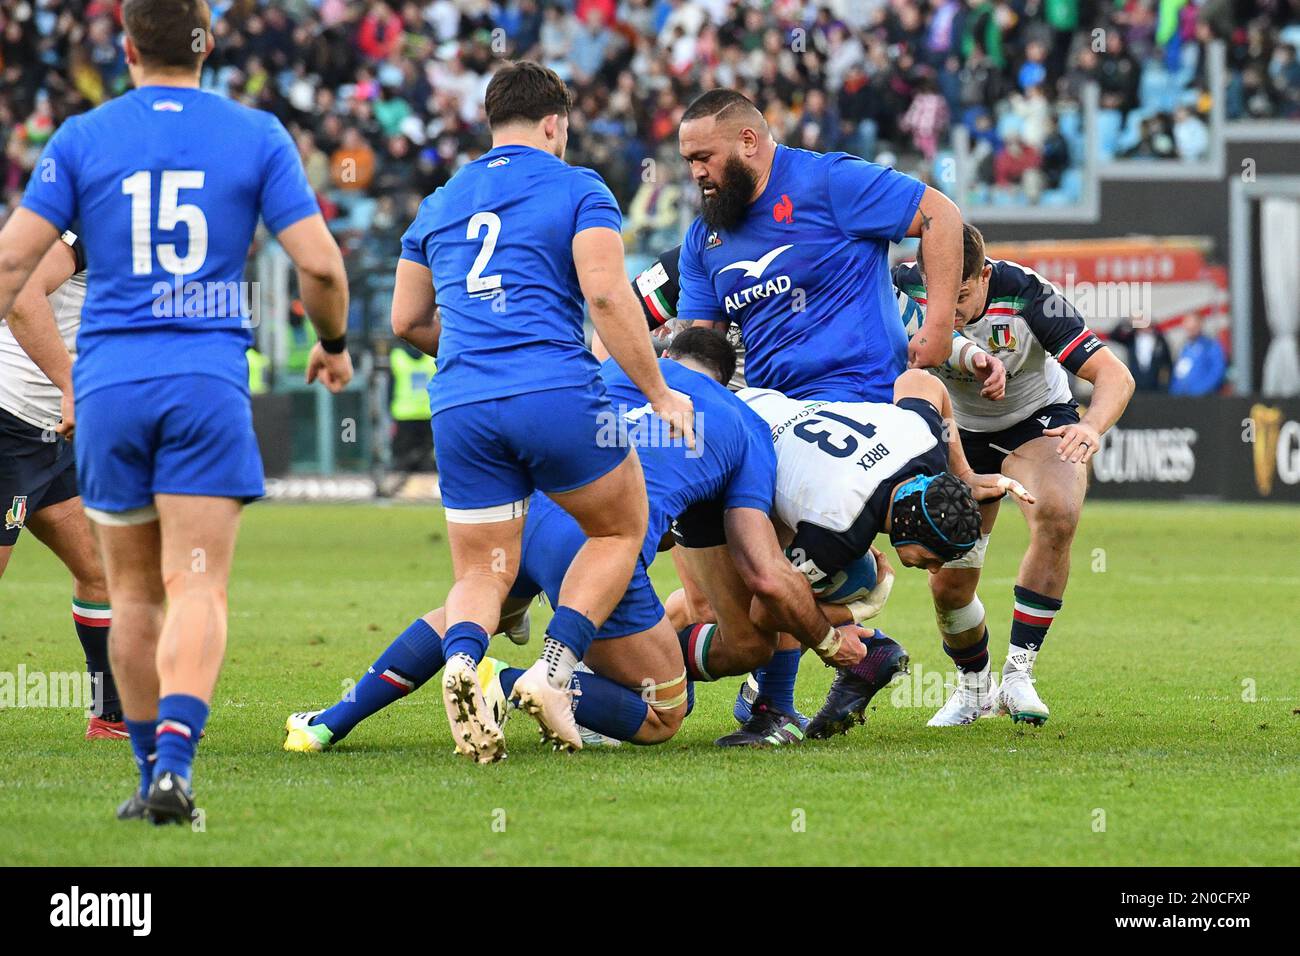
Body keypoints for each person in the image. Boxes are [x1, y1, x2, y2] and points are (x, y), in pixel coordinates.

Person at [0, 0, 353, 823]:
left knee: (129, 593)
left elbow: (12, 268)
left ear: (126, 49)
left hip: (109, 390)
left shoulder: (83, 137)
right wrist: (333, 343)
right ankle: (175, 771)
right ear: (209, 44)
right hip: (203, 383)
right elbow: (321, 267)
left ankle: (143, 771)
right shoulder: (255, 133)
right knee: (196, 583)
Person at [284, 329, 872, 754]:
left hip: (530, 515)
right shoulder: (744, 424)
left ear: (666, 356)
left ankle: (329, 723)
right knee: (666, 711)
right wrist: (826, 638)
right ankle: (506, 680)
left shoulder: (613, 371)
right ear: (729, 382)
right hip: (598, 545)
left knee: (471, 608)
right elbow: (762, 569)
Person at [390, 60, 694, 761]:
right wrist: (658, 392)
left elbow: (406, 319)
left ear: (493, 123)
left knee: (481, 573)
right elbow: (608, 295)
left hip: (461, 402)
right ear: (555, 124)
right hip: (553, 389)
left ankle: (463, 661)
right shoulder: (578, 186)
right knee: (619, 528)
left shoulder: (439, 201)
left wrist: (475, 348)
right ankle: (553, 673)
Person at [894, 223, 1134, 726]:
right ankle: (974, 688)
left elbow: (1115, 375)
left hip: (1035, 421)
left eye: (961, 295)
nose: (949, 310)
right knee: (949, 587)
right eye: (940, 293)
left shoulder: (1029, 295)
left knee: (1059, 511)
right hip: (956, 433)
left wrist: (1090, 426)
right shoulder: (900, 287)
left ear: (984, 276)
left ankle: (1019, 673)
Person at [0, 231, 123, 740]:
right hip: (9, 419)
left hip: (53, 432)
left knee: (100, 570)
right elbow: (19, 291)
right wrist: (73, 385)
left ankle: (113, 715)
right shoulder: (88, 218)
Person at [1169, 313, 1226, 396]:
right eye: (1188, 328)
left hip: (1202, 398)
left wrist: (1200, 391)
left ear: (1200, 325)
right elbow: (1178, 373)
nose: (1190, 330)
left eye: (1193, 327)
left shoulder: (1210, 346)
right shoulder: (1184, 348)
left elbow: (1218, 372)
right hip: (1181, 398)